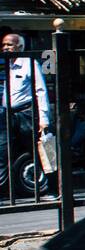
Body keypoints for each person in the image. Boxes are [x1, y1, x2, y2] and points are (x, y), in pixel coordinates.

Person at [0, 32, 50, 167]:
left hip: (26, 113)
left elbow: (41, 91)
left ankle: (51, 181)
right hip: (8, 114)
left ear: (20, 47)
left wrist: (43, 119)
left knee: (37, 149)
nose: (5, 47)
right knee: (3, 151)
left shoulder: (30, 64)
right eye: (3, 44)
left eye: (9, 44)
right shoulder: (7, 64)